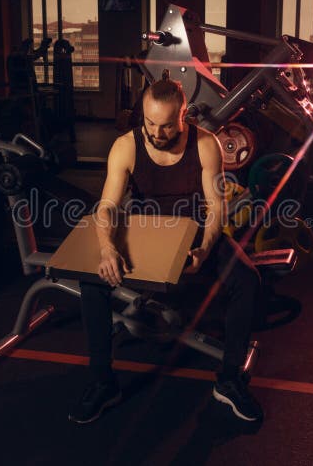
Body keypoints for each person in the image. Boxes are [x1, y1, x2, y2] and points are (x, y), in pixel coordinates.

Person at [68, 78, 263, 424]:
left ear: (184, 115)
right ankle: (102, 383)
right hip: (146, 230)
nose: (156, 133)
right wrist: (107, 249)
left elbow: (216, 208)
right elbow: (108, 206)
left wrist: (204, 249)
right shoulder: (126, 146)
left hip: (193, 230)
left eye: (167, 125)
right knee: (93, 281)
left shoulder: (205, 144)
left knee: (247, 279)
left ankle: (230, 379)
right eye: (150, 123)